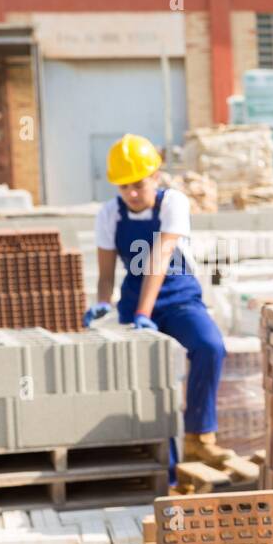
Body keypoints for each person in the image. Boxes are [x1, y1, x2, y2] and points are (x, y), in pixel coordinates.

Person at [86, 134, 227, 465]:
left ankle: (199, 436)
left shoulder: (173, 202)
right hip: (135, 301)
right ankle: (149, 450)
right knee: (141, 376)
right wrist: (103, 305)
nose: (132, 194)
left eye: (138, 184)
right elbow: (106, 274)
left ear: (156, 177)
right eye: (123, 188)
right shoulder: (109, 215)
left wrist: (145, 314)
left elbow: (160, 256)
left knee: (210, 347)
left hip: (178, 300)